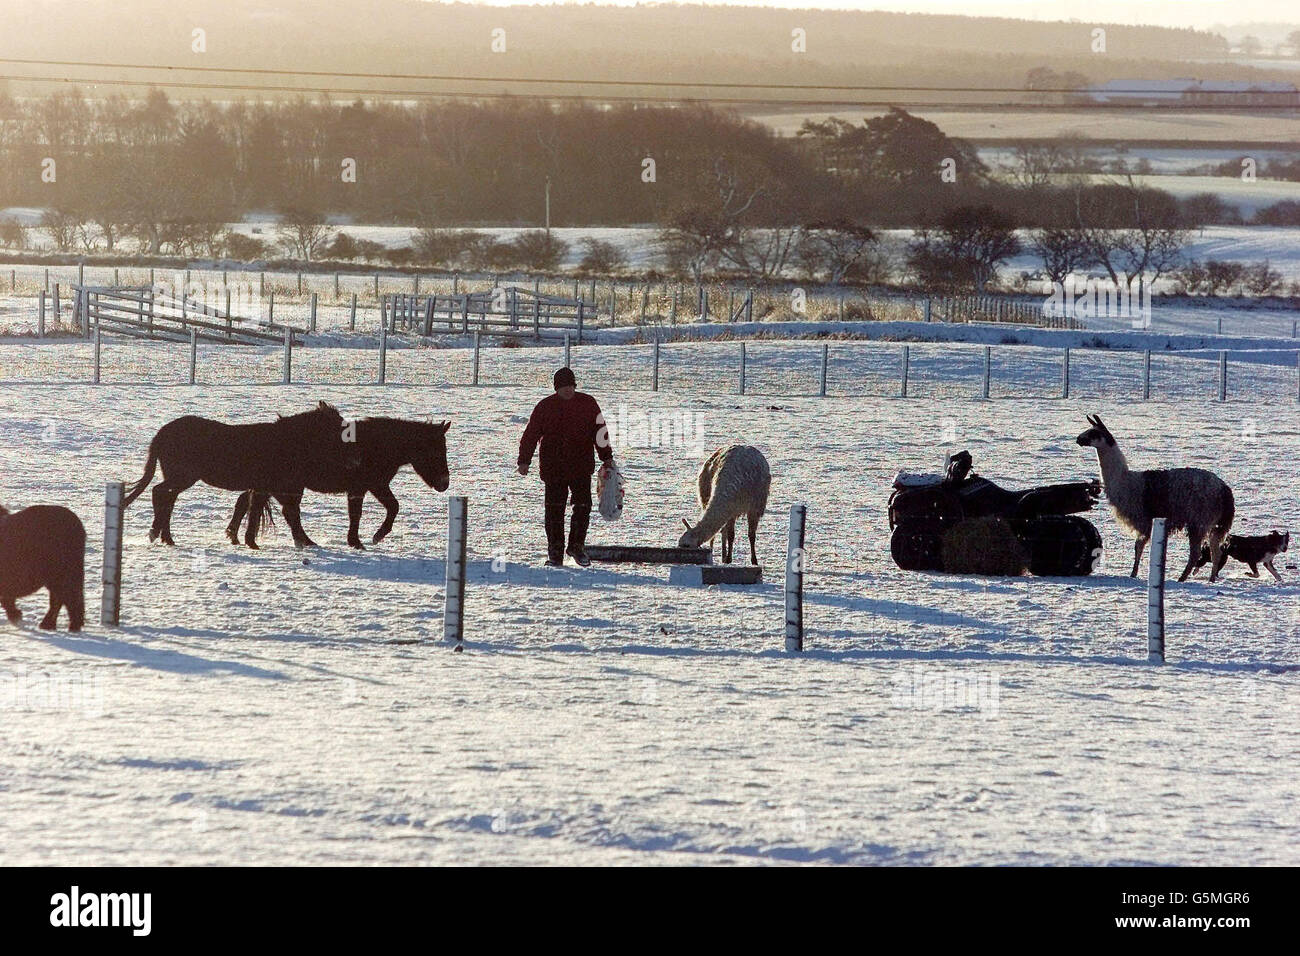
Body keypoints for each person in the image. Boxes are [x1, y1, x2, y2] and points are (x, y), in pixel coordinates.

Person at [517, 367, 614, 566]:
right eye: (563, 387)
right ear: (556, 388)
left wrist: (607, 457)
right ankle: (555, 553)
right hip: (554, 468)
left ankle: (576, 546)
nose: (568, 390)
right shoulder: (545, 407)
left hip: (581, 466)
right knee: (554, 511)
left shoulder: (588, 403)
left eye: (570, 386)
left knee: (583, 507)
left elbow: (600, 432)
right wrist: (524, 460)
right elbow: (531, 435)